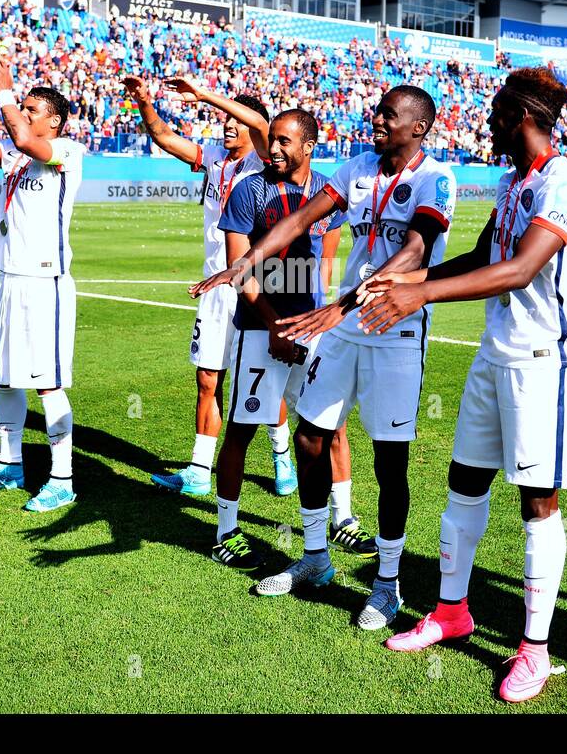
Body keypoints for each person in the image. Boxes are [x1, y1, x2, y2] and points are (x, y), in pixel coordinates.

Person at [364, 68, 567, 704]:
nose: (486, 124)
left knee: (536, 503)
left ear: (521, 114)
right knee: (464, 483)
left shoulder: (564, 183)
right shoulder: (510, 180)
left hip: (543, 360)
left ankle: (535, 651)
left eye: (495, 114)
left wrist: (422, 292)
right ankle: (451, 611)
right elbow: (488, 252)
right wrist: (412, 280)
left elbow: (520, 270)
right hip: (495, 356)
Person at [194, 85, 457, 630]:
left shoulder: (437, 178)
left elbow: (416, 251)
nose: (377, 119)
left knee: (389, 460)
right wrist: (244, 264)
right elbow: (299, 221)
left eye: (390, 114)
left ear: (419, 127)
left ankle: (387, 584)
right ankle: (316, 557)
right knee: (310, 434)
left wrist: (343, 304)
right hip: (343, 328)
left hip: (393, 331)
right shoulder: (358, 166)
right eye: (378, 110)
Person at [122, 75, 305, 500]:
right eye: (222, 119)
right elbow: (166, 137)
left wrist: (208, 94)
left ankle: (282, 460)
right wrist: (146, 102)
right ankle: (200, 469)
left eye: (233, 120)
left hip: (254, 285)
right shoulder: (214, 162)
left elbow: (261, 125)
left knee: (261, 377)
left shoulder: (263, 160)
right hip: (215, 288)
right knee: (208, 379)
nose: (226, 126)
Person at [205, 109, 352, 568]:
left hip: (310, 327)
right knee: (243, 431)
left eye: (285, 141)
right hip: (258, 326)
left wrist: (317, 315)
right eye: (271, 139)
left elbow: (324, 263)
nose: (274, 149)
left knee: (330, 426)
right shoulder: (249, 189)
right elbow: (239, 270)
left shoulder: (328, 190)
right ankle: (226, 531)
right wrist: (271, 324)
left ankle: (342, 518)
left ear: (309, 146)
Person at [0, 54, 86, 512]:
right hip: (8, 277)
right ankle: (10, 464)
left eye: (32, 109)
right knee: (5, 378)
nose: (23, 116)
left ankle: (62, 477)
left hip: (44, 281)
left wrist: (7, 92)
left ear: (56, 121)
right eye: (22, 107)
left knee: (46, 382)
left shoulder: (68, 152)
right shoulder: (15, 157)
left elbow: (24, 139)